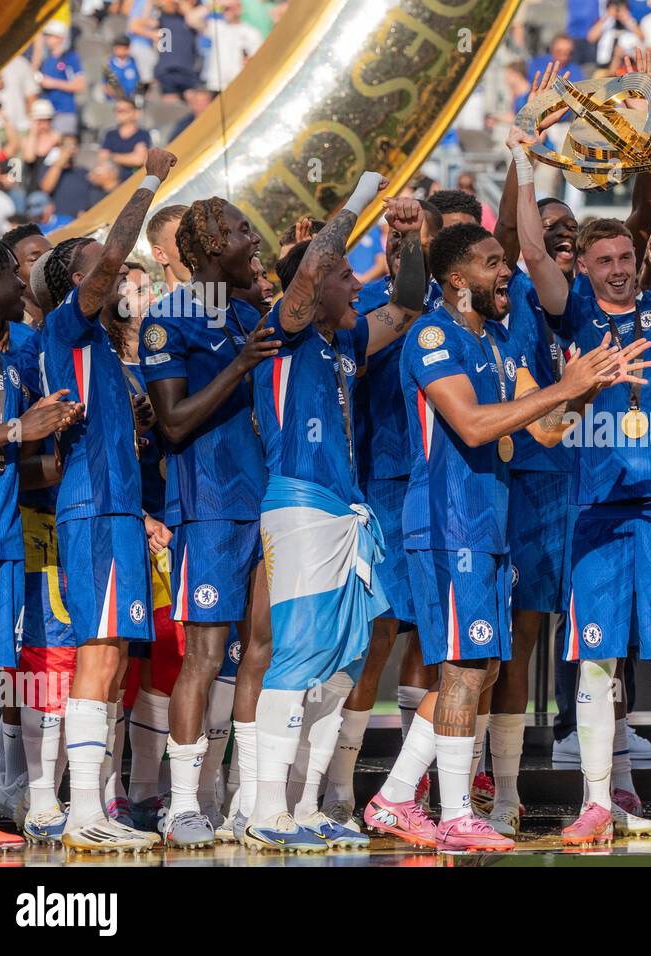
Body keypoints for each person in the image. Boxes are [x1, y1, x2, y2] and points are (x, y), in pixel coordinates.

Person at [363, 216, 650, 851]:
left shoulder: (498, 340)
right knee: (466, 668)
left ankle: (392, 797)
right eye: (496, 262)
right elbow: (469, 425)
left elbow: (544, 432)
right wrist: (564, 387)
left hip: (490, 522)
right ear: (457, 278)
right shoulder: (432, 334)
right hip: (447, 520)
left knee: (483, 666)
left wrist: (585, 390)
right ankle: (457, 813)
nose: (508, 273)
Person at [510, 99, 651, 846]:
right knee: (598, 660)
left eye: (623, 258)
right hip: (597, 507)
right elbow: (536, 255)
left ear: (641, 262)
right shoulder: (572, 314)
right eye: (601, 259)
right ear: (589, 267)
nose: (613, 266)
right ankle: (597, 799)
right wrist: (520, 158)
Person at [240, 180, 427, 851]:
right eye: (347, 277)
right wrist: (368, 196)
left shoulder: (345, 345)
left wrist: (406, 241)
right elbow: (317, 263)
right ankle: (264, 808)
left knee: (344, 661)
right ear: (310, 286)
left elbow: (406, 303)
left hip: (347, 509)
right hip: (299, 502)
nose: (358, 287)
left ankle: (309, 803)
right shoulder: (283, 334)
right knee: (299, 655)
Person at [33, 147, 179, 852]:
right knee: (96, 652)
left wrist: (145, 514)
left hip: (119, 511)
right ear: (78, 280)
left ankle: (96, 803)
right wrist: (150, 177)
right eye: (105, 264)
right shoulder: (68, 325)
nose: (121, 269)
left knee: (115, 654)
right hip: (90, 511)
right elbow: (119, 246)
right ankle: (79, 809)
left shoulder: (113, 356)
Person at [138, 195, 278, 847]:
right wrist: (242, 365)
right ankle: (182, 805)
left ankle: (248, 802)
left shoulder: (248, 311)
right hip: (211, 510)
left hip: (264, 506)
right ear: (207, 246)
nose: (252, 237)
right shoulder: (168, 320)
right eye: (239, 229)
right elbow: (172, 422)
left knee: (261, 654)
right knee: (204, 657)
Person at [0, 237, 80, 851]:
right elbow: (2, 437)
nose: (24, 285)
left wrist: (72, 446)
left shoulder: (10, 361)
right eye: (13, 273)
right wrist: (17, 426)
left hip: (5, 537)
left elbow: (18, 465)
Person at [99, 100, 152, 184]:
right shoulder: (110, 134)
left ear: (135, 113)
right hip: (113, 180)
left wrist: (112, 156)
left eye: (124, 110)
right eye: (117, 110)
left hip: (134, 180)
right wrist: (130, 157)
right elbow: (102, 159)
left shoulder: (143, 134)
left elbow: (138, 160)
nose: (119, 113)